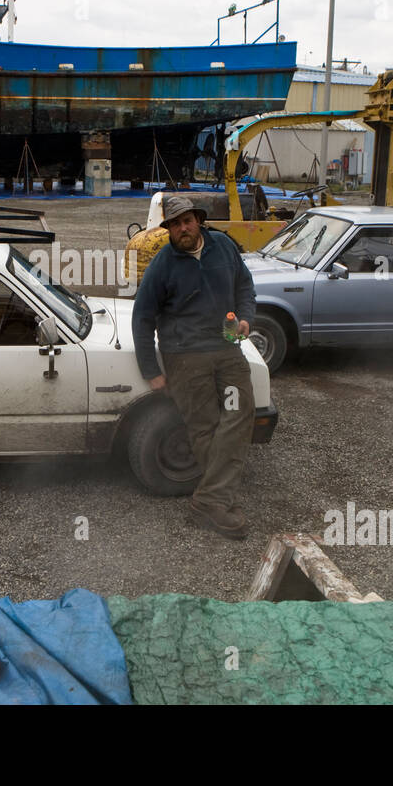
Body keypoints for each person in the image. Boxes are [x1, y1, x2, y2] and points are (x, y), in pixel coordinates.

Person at [132, 195, 257, 539]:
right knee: (204, 426)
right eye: (174, 224)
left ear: (198, 220)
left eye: (186, 221)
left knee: (239, 413)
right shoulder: (163, 264)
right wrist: (151, 370)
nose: (182, 229)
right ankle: (215, 502)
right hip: (185, 357)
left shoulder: (224, 247)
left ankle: (208, 499)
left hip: (227, 348)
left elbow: (245, 287)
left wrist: (246, 318)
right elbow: (142, 317)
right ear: (168, 229)